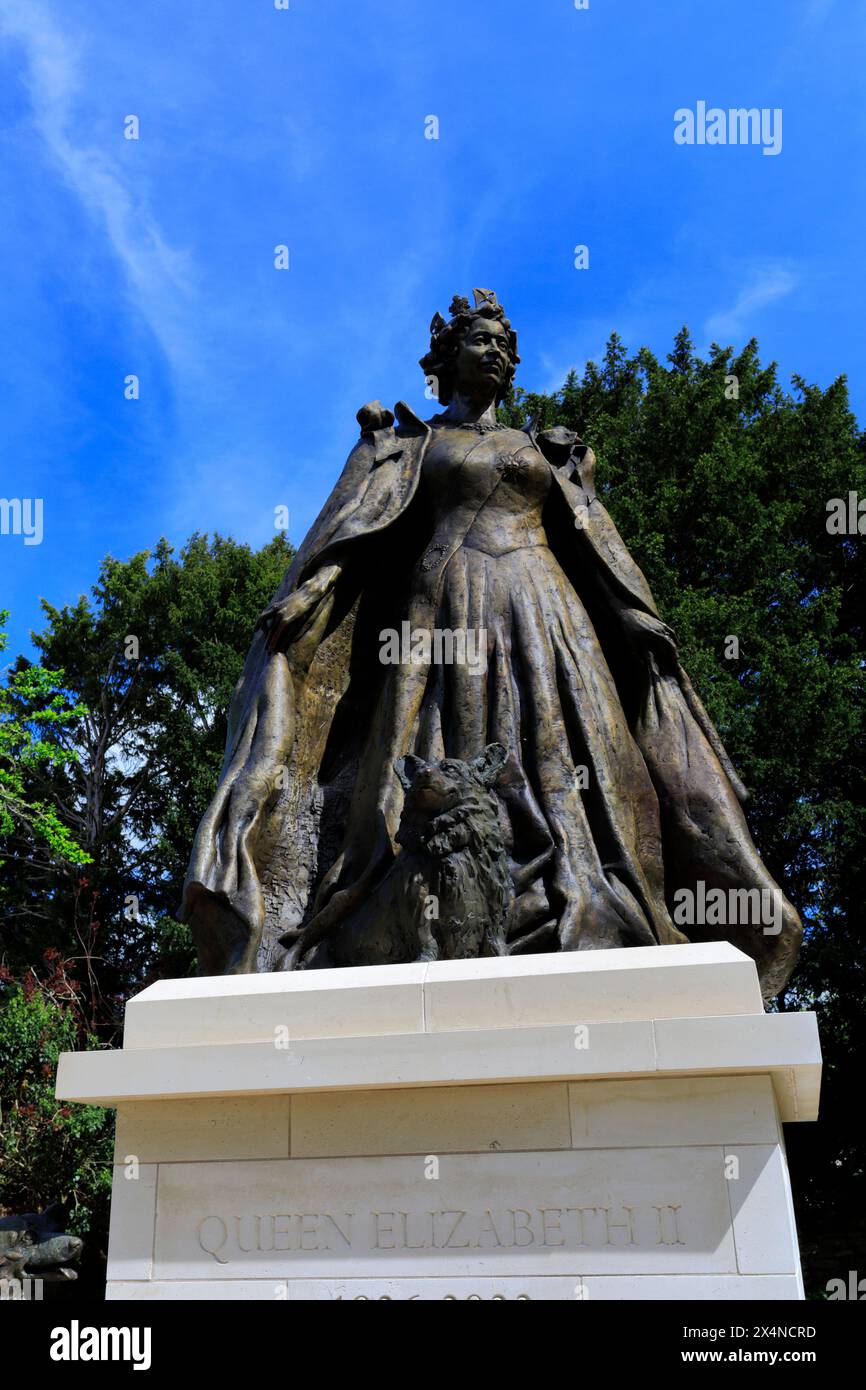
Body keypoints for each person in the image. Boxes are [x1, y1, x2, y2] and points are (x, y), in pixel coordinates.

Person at [181, 289, 801, 996]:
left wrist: (633, 613)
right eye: (482, 341)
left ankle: (580, 885)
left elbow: (593, 540)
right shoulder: (411, 442)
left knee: (574, 751)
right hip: (444, 605)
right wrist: (312, 592)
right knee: (437, 744)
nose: (499, 352)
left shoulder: (543, 447)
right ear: (446, 361)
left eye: (506, 344)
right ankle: (424, 905)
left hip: (543, 603)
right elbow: (351, 534)